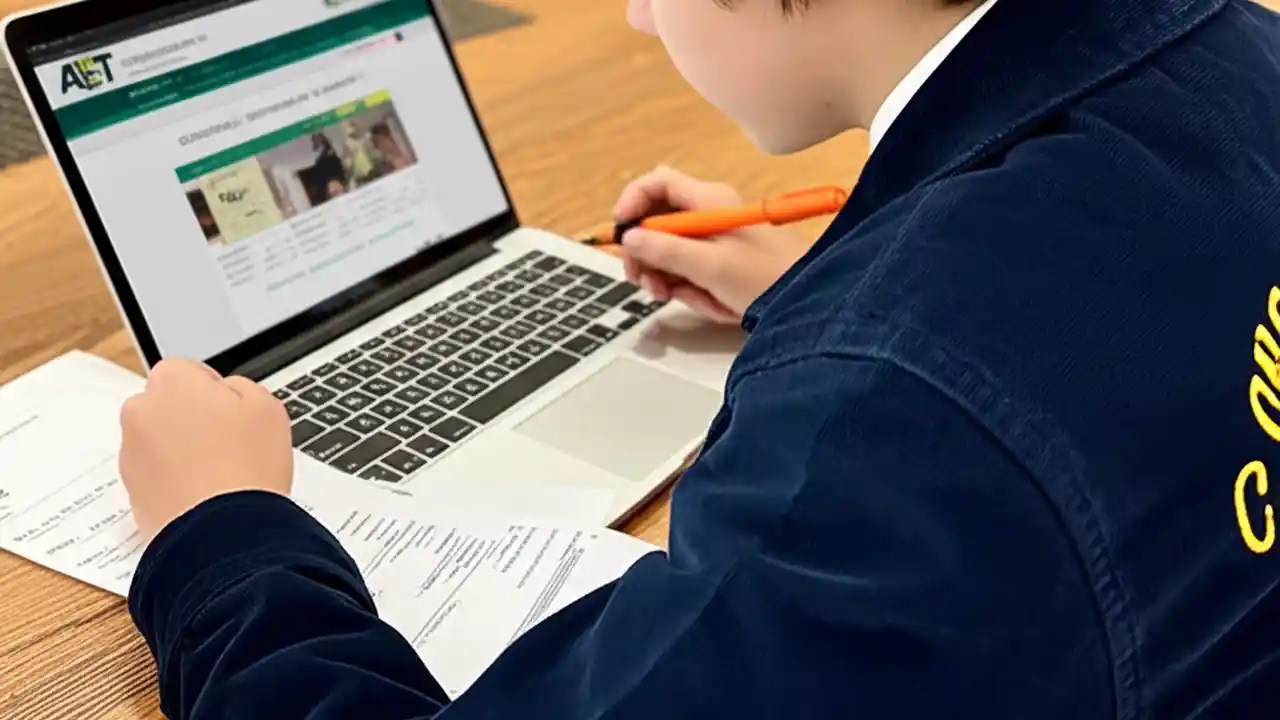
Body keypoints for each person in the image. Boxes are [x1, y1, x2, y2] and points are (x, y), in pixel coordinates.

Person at [119, 0, 1280, 717]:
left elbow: (968, 425)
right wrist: (850, 271)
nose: (632, 18)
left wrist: (220, 536)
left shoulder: (897, 432)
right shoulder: (1239, 51)